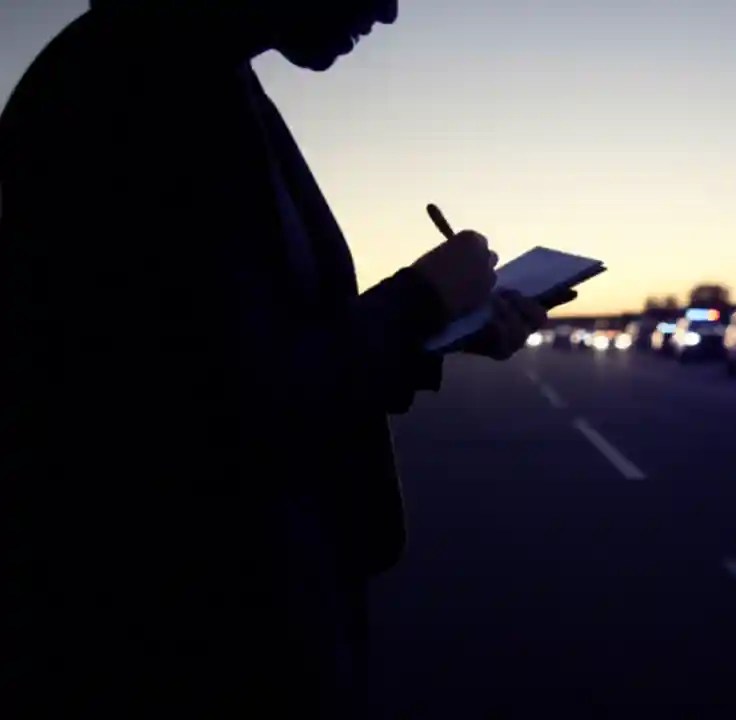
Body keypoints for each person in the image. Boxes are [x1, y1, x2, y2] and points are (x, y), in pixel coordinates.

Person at [0, 1, 572, 716]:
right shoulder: (136, 90)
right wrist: (419, 301)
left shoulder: (196, 77)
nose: (390, 8)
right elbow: (212, 418)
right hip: (196, 641)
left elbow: (256, 351)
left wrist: (444, 330)